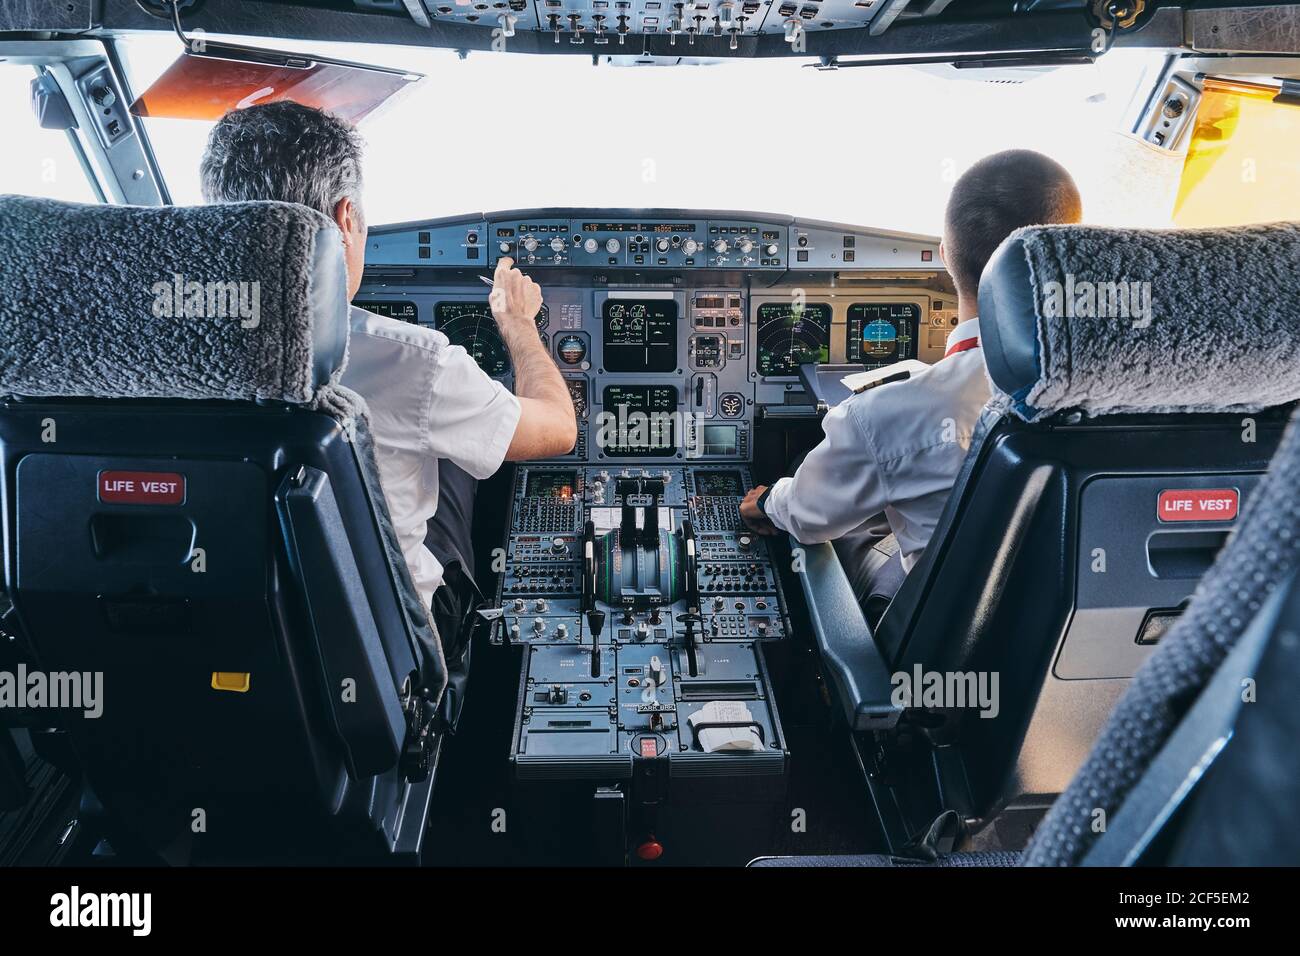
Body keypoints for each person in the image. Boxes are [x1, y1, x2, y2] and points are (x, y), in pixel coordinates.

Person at [199, 101, 576, 704]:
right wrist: (519, 326)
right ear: (345, 218)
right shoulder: (411, 359)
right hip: (382, 664)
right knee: (456, 456)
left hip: (212, 644)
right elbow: (558, 429)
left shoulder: (150, 356)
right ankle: (451, 689)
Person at [740, 149, 1082, 617]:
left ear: (944, 255)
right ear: (1069, 256)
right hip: (1083, 644)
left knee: (826, 483)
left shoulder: (889, 415)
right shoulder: (1149, 388)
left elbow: (807, 515)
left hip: (942, 637)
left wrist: (766, 503)